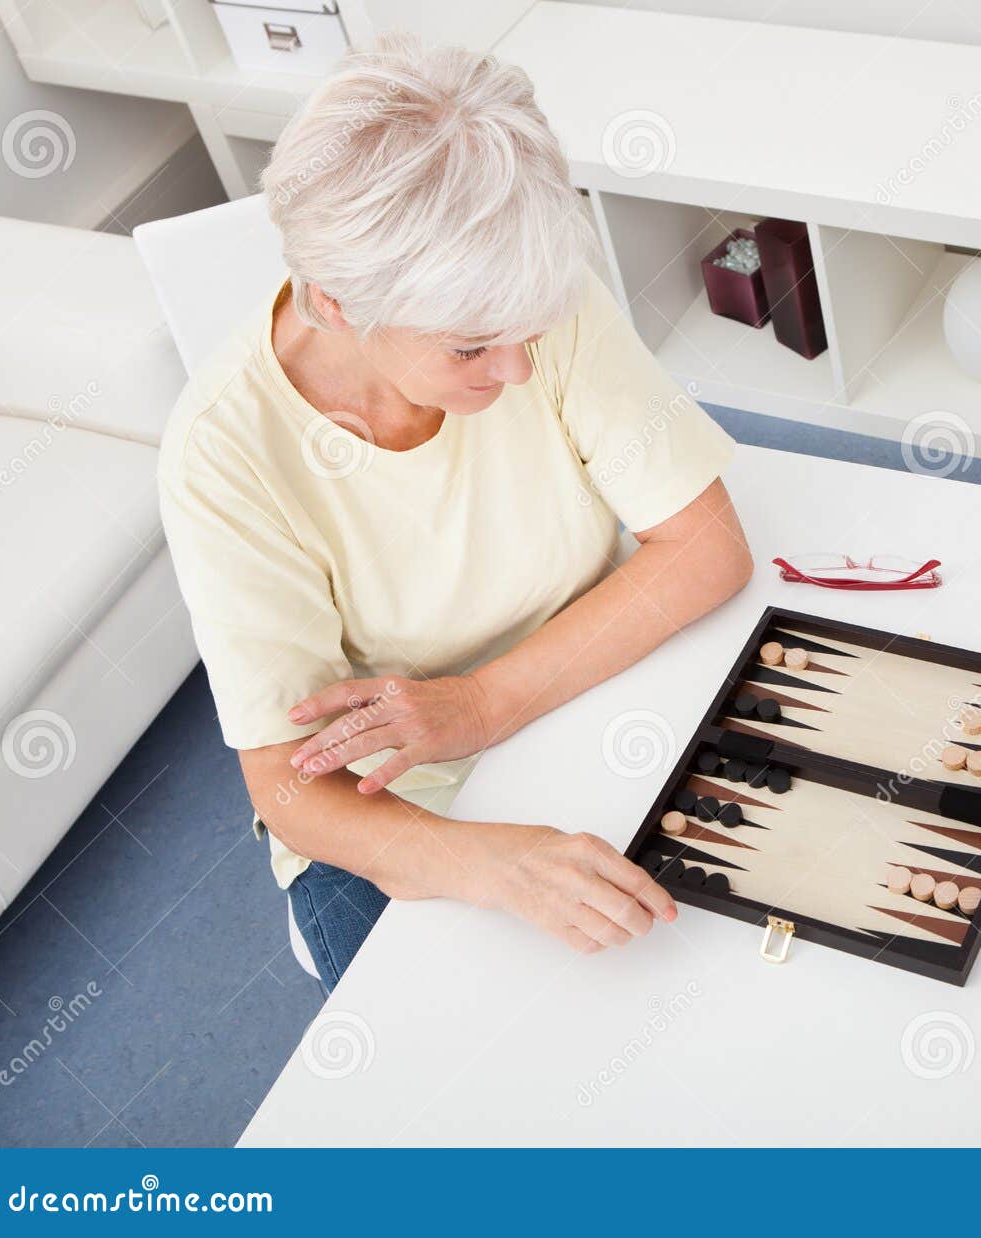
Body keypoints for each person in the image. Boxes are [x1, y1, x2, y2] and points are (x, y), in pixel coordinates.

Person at [158, 36, 752, 989]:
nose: (517, 370)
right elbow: (289, 788)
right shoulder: (222, 456)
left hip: (588, 685)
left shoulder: (522, 291)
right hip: (400, 806)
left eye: (527, 334)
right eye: (472, 350)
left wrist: (482, 702)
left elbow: (708, 548)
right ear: (335, 302)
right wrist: (489, 863)